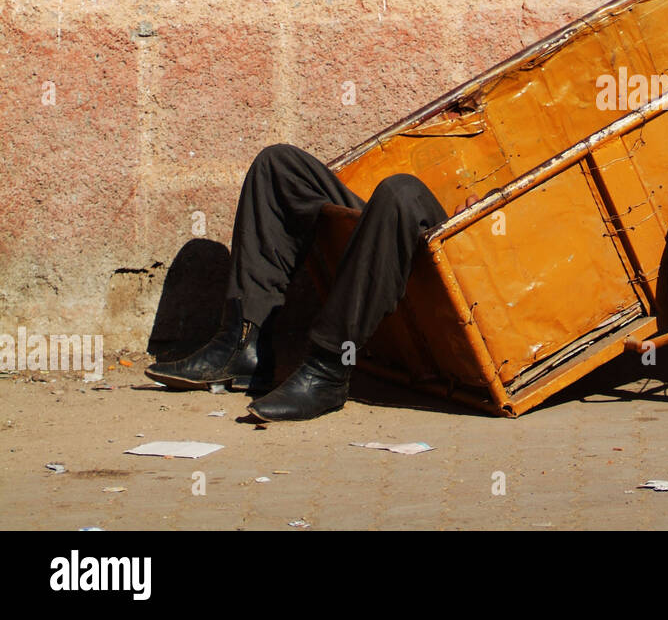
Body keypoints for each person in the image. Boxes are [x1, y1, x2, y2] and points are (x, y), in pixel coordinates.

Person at [146, 144, 449, 422]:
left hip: (468, 251)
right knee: (278, 165)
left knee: (403, 192)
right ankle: (243, 345)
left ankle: (328, 368)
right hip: (430, 227)